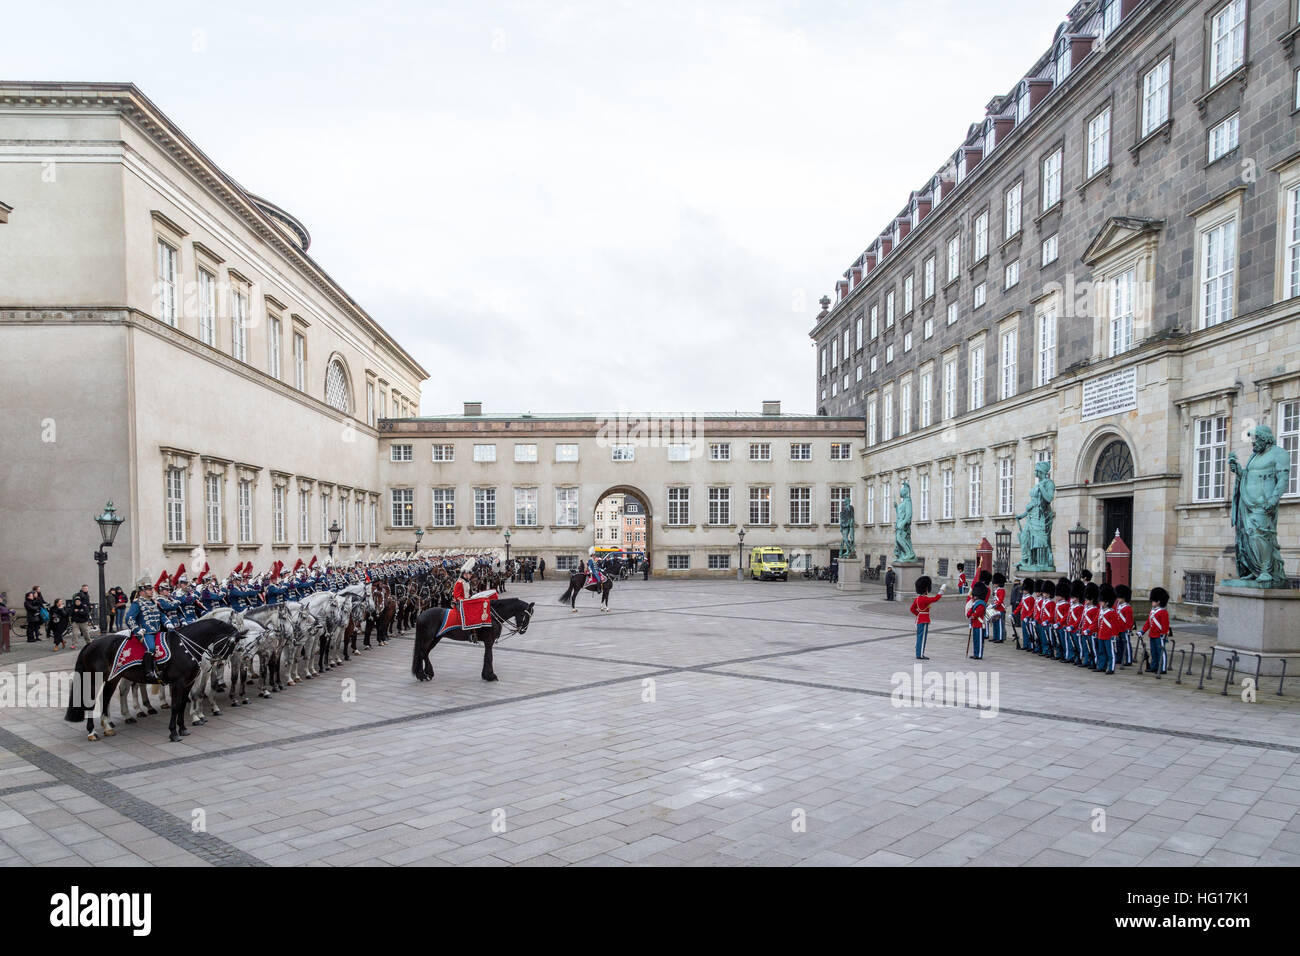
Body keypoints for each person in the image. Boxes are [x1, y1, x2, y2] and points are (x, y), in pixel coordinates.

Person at [125, 576, 169, 680]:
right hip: (146, 632)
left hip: (158, 630)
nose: (151, 591)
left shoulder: (153, 602)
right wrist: (137, 630)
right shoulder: (137, 603)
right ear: (142, 591)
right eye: (149, 589)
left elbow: (161, 615)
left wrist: (167, 622)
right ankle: (148, 671)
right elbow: (129, 618)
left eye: (151, 589)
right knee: (151, 648)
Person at [909, 576, 944, 660]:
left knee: (919, 637)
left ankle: (918, 653)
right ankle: (920, 654)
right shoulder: (925, 599)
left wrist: (918, 614)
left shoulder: (917, 599)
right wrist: (941, 591)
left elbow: (912, 609)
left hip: (919, 619)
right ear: (926, 589)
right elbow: (936, 598)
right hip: (924, 620)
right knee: (922, 638)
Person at [1141, 587, 1171, 676]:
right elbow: (1148, 622)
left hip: (1160, 635)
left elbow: (1165, 625)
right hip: (1153, 635)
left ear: (1158, 601)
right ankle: (1154, 666)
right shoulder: (1153, 611)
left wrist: (1164, 634)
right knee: (1154, 652)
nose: (1151, 602)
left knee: (1161, 652)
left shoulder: (1163, 612)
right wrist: (1142, 631)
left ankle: (1163, 668)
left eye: (1153, 601)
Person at [1096, 583, 1117, 674]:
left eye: (1102, 601)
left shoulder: (1111, 612)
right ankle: (1102, 666)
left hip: (1109, 636)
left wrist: (1114, 635)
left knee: (1110, 653)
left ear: (1107, 602)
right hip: (1101, 635)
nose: (1100, 602)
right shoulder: (1102, 612)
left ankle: (1111, 668)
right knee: (1101, 652)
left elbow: (1115, 625)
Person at [967, 582, 988, 660]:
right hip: (975, 624)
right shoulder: (975, 603)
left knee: (979, 641)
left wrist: (972, 616)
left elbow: (978, 613)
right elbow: (970, 612)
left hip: (979, 624)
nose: (974, 597)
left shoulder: (982, 604)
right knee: (975, 640)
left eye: (975, 595)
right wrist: (968, 615)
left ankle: (979, 654)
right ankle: (975, 653)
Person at [1115, 584, 1135, 668]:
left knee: (1126, 644)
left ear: (1124, 597)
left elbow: (1129, 620)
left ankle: (1129, 659)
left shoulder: (1128, 608)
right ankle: (1119, 658)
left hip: (1124, 629)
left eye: (1119, 597)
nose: (1118, 599)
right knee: (1118, 644)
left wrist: (1128, 629)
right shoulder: (1118, 606)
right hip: (1118, 629)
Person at [989, 573, 1006, 643]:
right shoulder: (996, 590)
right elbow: (995, 600)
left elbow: (1000, 600)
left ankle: (1000, 638)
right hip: (995, 609)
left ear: (998, 583)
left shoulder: (1001, 590)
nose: (994, 584)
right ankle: (995, 637)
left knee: (999, 624)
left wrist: (994, 605)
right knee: (995, 623)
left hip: (1000, 609)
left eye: (995, 583)